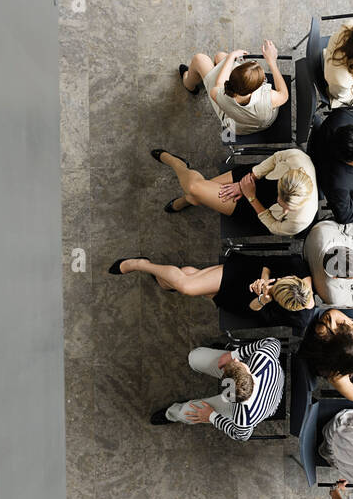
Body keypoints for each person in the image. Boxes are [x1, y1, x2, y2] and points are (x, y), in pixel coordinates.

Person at [108, 252, 315, 329]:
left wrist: (263, 298)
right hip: (243, 273)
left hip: (242, 303)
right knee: (186, 286)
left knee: (183, 276)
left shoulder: (299, 319)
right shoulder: (297, 266)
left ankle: (163, 276)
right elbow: (266, 263)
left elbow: (257, 313)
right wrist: (264, 280)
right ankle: (139, 264)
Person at [152, 147, 317, 237]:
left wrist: (251, 197)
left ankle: (178, 165)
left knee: (195, 190)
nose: (285, 211)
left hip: (257, 210)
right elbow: (275, 159)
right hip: (254, 179)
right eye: (282, 202)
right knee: (196, 190)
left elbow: (273, 227)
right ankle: (178, 169)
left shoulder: (300, 222)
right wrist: (246, 182)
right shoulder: (298, 158)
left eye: (288, 209)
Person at [151, 338, 284, 442]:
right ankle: (223, 351)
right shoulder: (262, 358)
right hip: (270, 378)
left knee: (185, 413)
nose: (236, 360)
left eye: (237, 361)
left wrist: (211, 416)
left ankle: (171, 414)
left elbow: (241, 436)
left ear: (231, 400)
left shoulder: (244, 419)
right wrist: (234, 354)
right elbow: (274, 343)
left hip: (269, 405)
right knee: (194, 357)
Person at [179, 40, 289, 139]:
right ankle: (214, 67)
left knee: (200, 59)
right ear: (255, 89)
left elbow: (219, 84)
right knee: (221, 57)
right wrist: (272, 62)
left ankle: (189, 84)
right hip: (263, 123)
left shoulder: (220, 94)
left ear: (231, 77)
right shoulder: (271, 97)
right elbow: (284, 94)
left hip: (234, 125)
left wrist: (231, 56)